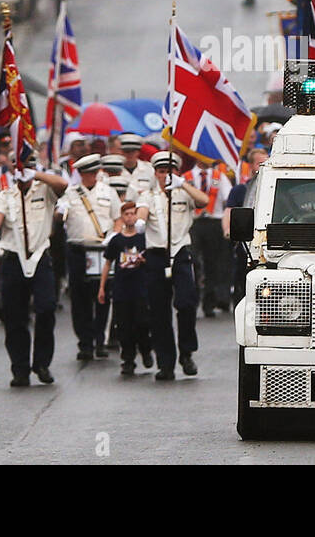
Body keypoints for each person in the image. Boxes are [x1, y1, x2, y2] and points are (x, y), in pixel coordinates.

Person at [0, 164, 69, 385]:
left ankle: (42, 363)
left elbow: (63, 184)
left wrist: (37, 174)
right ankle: (20, 369)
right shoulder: (6, 195)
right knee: (14, 316)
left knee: (46, 308)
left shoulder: (44, 190)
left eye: (27, 168)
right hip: (14, 258)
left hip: (40, 257)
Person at [135, 151, 209, 380]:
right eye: (162, 171)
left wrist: (183, 184)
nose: (166, 175)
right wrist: (139, 221)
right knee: (159, 310)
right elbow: (142, 211)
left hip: (180, 253)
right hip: (156, 255)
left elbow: (203, 201)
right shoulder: (148, 195)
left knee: (186, 303)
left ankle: (186, 353)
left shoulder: (182, 191)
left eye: (170, 170)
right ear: (156, 173)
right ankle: (165, 362)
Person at [59, 154, 119, 360]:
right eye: (88, 173)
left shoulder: (108, 192)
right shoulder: (70, 193)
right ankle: (85, 342)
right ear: (82, 174)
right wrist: (61, 212)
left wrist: (112, 237)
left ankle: (100, 339)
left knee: (102, 295)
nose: (93, 176)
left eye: (95, 172)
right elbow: (59, 218)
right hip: (78, 248)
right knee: (79, 297)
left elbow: (117, 218)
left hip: (101, 249)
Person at [99, 200, 152, 375]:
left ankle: (145, 349)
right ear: (122, 217)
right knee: (123, 326)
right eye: (126, 214)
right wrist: (102, 287)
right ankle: (128, 359)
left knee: (142, 322)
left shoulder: (143, 239)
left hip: (140, 288)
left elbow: (152, 261)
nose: (130, 217)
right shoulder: (116, 241)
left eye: (132, 214)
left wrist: (145, 262)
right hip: (122, 290)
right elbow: (107, 263)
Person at [188, 161, 233, 317]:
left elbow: (228, 197)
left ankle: (209, 302)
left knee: (212, 263)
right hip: (193, 222)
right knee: (192, 262)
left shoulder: (219, 176)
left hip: (214, 222)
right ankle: (192, 301)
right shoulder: (187, 177)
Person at [223, 147, 267, 305]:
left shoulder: (272, 189)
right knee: (241, 277)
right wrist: (228, 230)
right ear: (251, 166)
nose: (263, 166)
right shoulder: (240, 190)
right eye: (259, 163)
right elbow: (229, 211)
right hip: (245, 241)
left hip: (265, 242)